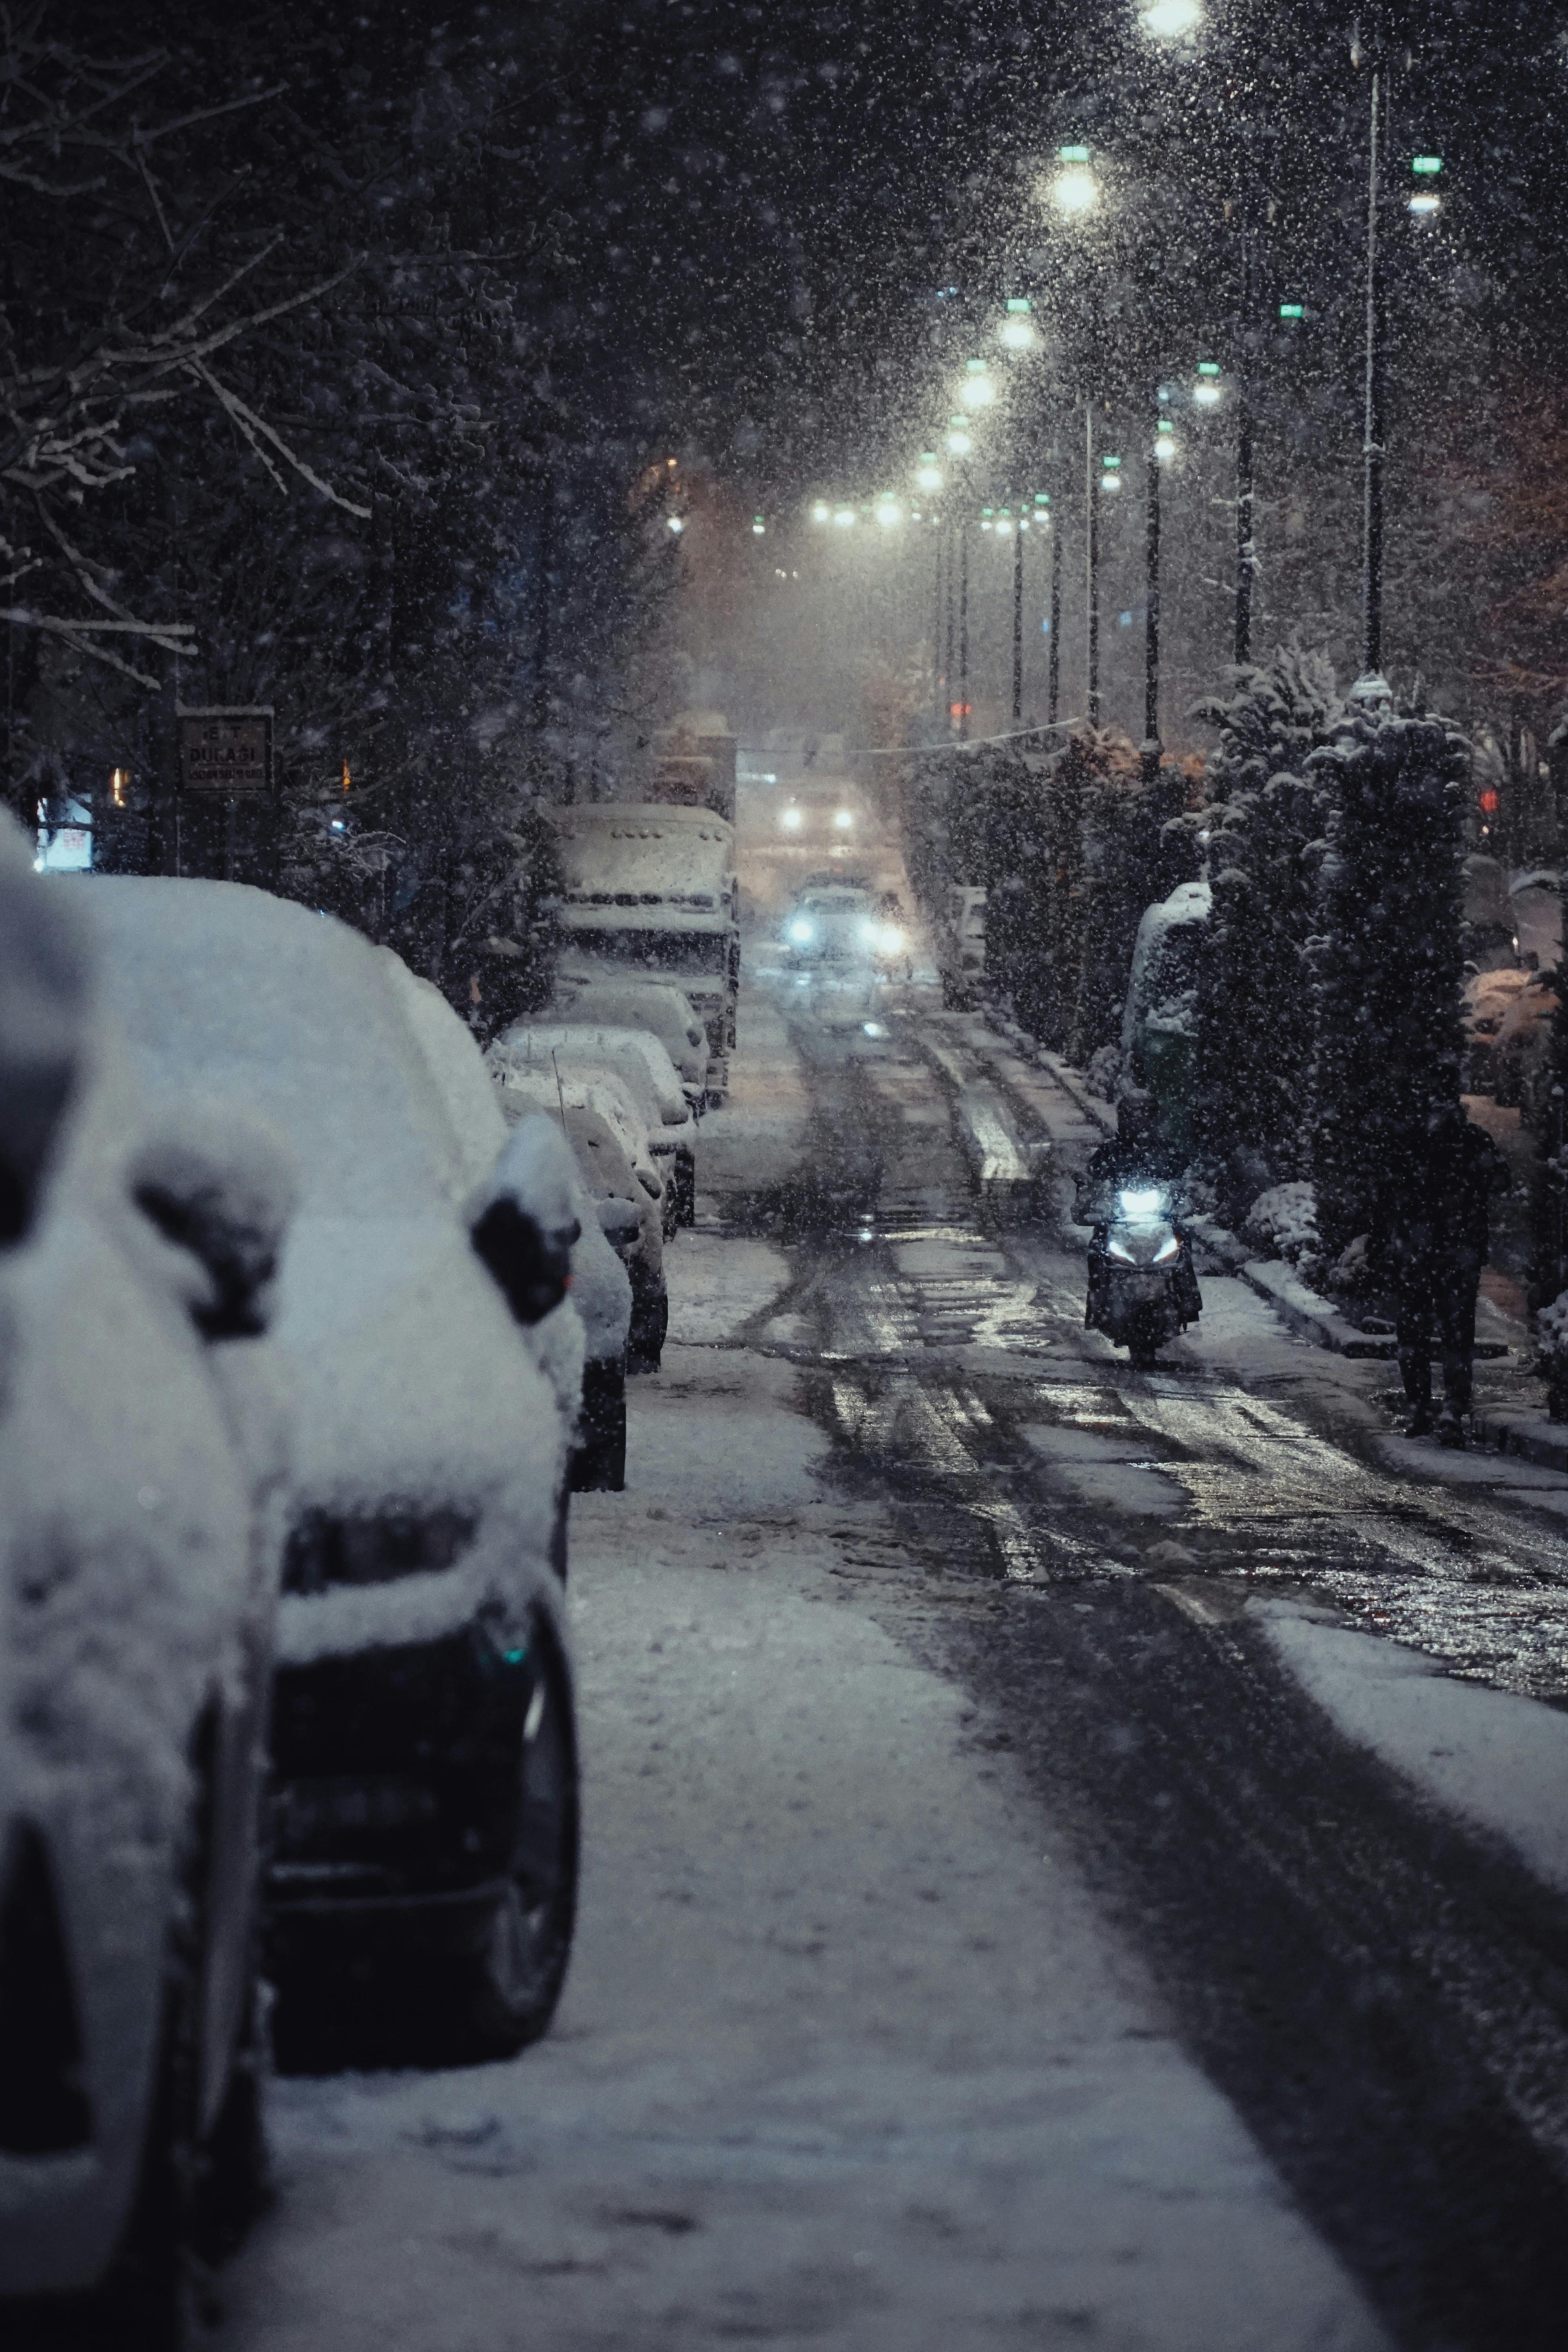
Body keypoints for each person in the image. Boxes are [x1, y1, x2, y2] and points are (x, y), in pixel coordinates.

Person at [1393, 1102, 1510, 1446]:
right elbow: (1501, 1180)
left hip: (1423, 1250)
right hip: (1458, 1249)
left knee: (1416, 1332)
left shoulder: (1414, 1143)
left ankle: (1422, 1407)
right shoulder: (1473, 1141)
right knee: (1456, 1333)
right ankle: (1450, 1408)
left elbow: (1392, 1192)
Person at [1074, 1096, 1199, 1330]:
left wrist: (1188, 1194)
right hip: (1119, 1219)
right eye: (1131, 1115)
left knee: (1183, 1244)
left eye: (1144, 1115)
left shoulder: (1167, 1151)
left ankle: (1188, 1300)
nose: (1138, 1121)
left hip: (1161, 1217)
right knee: (1098, 1248)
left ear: (1154, 1118)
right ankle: (1099, 1305)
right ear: (1122, 1118)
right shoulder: (1110, 1151)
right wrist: (1088, 1190)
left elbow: (1187, 1178)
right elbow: (1092, 1177)